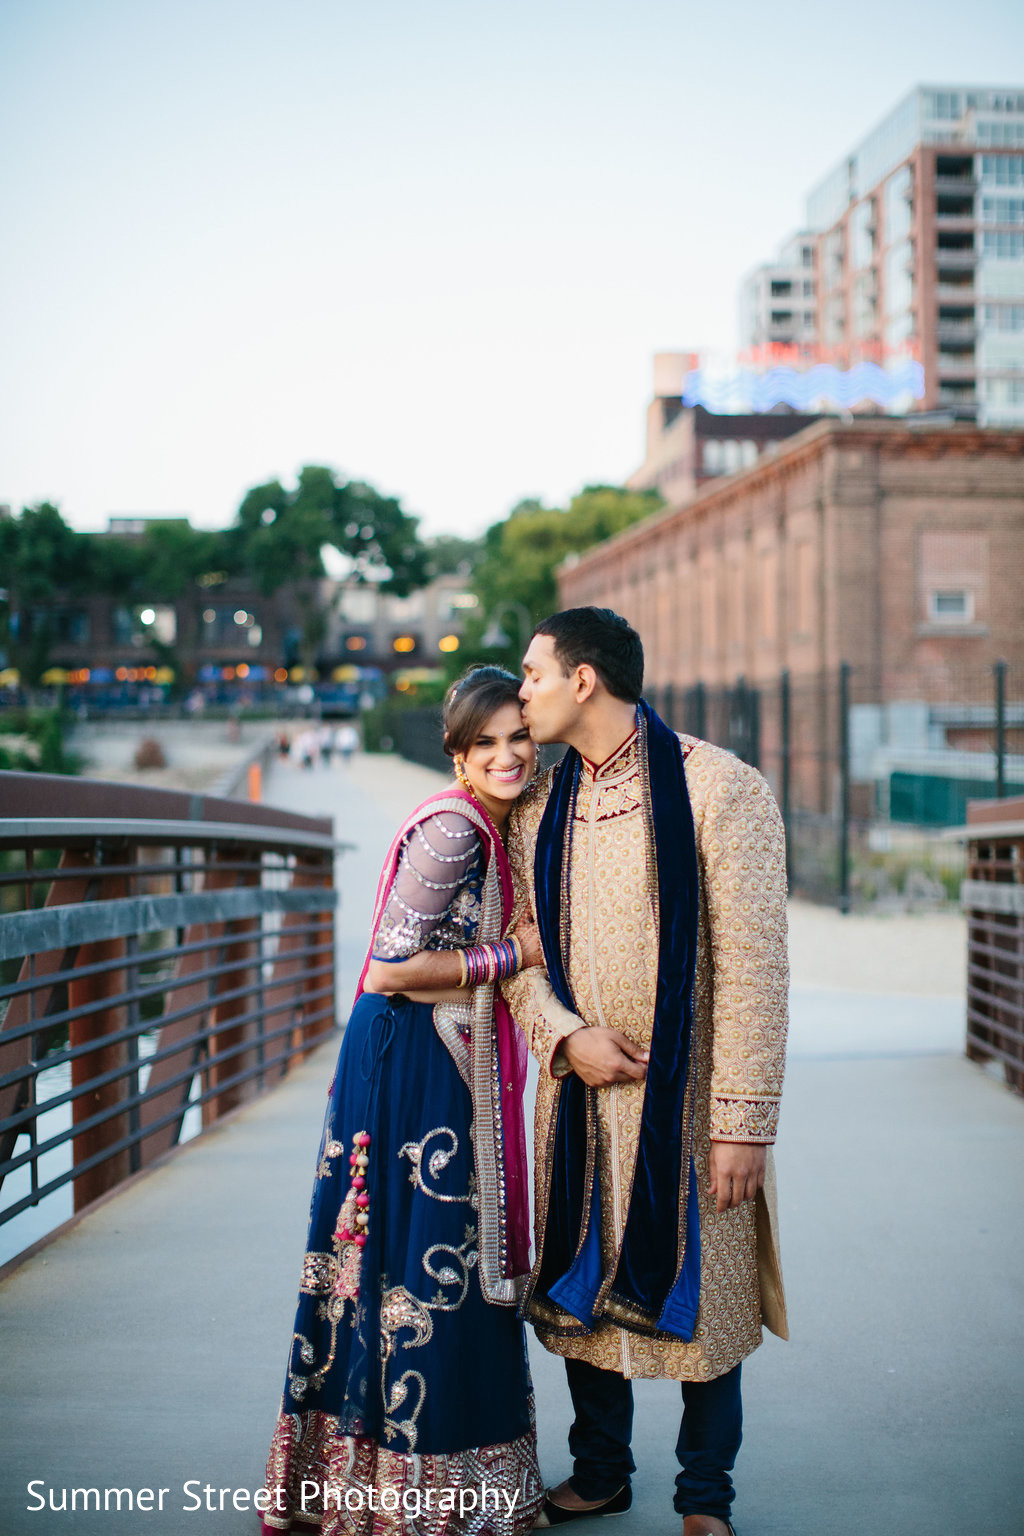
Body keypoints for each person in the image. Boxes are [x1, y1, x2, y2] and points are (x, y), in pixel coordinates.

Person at [503, 608, 788, 1536]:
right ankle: (602, 1472)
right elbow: (518, 954)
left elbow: (755, 962)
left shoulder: (719, 788)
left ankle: (705, 1499)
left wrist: (743, 1117)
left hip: (694, 1099)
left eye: (534, 675)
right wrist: (561, 1037)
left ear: (584, 680)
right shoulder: (540, 805)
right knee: (583, 1284)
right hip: (579, 1097)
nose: (522, 693)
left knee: (709, 1297)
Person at [261, 667, 545, 1536]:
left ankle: (399, 1480)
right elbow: (388, 966)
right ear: (458, 755)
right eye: (484, 743)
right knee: (422, 1262)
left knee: (420, 1263)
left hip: (427, 1056)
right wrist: (510, 956)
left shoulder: (495, 823)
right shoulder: (457, 830)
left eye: (518, 738)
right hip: (410, 1065)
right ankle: (412, 1494)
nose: (506, 756)